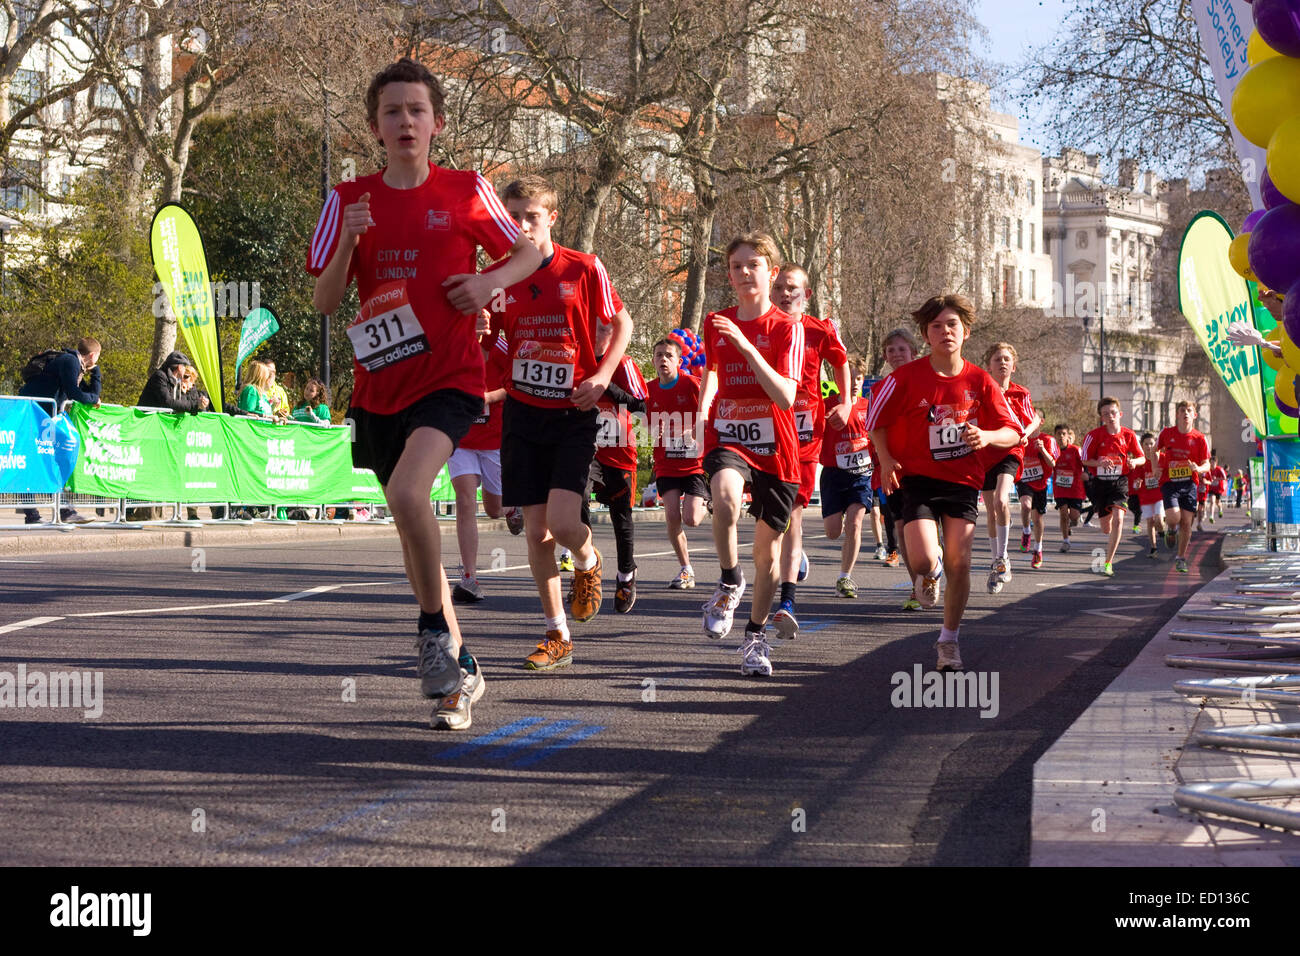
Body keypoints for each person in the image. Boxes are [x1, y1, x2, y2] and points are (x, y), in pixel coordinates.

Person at [306, 57, 543, 732]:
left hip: (450, 379)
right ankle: (459, 673)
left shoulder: (466, 189)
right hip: (380, 386)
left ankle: (434, 629)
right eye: (392, 112)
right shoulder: (345, 201)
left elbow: (529, 254)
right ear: (375, 126)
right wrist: (350, 238)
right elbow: (324, 303)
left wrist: (488, 283)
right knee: (413, 542)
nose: (405, 121)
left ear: (436, 123)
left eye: (417, 110)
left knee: (411, 495)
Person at [490, 174, 632, 672]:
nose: (523, 225)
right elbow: (496, 344)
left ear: (552, 217)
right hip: (524, 412)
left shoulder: (584, 267)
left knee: (563, 523)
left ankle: (590, 562)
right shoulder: (499, 276)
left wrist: (603, 375)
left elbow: (623, 323)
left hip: (574, 411)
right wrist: (485, 337)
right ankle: (557, 635)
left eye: (533, 215)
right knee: (535, 533)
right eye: (514, 216)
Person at [867, 294, 1021, 672]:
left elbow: (1013, 432)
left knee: (961, 562)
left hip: (962, 482)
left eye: (952, 325)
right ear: (926, 334)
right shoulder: (906, 377)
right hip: (918, 478)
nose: (945, 331)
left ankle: (948, 642)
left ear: (965, 332)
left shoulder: (980, 380)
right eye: (936, 326)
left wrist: (986, 437)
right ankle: (929, 573)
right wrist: (886, 459)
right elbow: (874, 419)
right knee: (921, 559)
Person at [698, 232, 802, 678]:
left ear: (771, 272)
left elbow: (785, 396)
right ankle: (727, 579)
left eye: (753, 265)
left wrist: (745, 345)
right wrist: (703, 408)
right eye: (736, 266)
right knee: (722, 497)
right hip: (729, 435)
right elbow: (713, 371)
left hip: (777, 446)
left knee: (769, 557)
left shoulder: (787, 328)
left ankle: (755, 636)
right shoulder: (715, 320)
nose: (743, 273)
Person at [771, 264, 850, 641]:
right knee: (771, 520)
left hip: (805, 437)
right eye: (780, 288)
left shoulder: (819, 330)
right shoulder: (761, 327)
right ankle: (792, 556)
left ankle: (786, 601)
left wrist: (847, 403)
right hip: (766, 431)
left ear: (807, 294)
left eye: (793, 288)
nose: (786, 294)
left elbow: (842, 363)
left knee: (793, 516)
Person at [589, 317, 649, 613]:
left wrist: (605, 385)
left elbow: (642, 404)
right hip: (586, 449)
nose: (596, 334)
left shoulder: (623, 363)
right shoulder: (576, 359)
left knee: (620, 518)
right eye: (592, 327)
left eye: (603, 329)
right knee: (573, 504)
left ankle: (626, 574)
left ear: (614, 334)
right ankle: (585, 565)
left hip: (618, 450)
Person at [448, 332, 511, 603]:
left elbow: (517, 386)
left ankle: (514, 507)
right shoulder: (452, 339)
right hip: (460, 437)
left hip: (494, 440)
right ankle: (469, 578)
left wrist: (487, 397)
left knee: (494, 510)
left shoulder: (501, 346)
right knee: (464, 501)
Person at [646, 336, 708, 589]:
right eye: (659, 355)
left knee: (692, 518)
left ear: (679, 361)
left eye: (669, 355)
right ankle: (686, 569)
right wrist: (652, 431)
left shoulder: (693, 384)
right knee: (672, 515)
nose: (663, 359)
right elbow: (644, 424)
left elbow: (713, 412)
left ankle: (709, 498)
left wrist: (697, 430)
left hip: (694, 463)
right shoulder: (647, 389)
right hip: (666, 462)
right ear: (653, 360)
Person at [19, 336, 102, 524]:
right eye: (97, 359)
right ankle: (41, 514)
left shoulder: (76, 365)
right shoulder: (70, 362)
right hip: (33, 413)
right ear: (92, 355)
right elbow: (75, 393)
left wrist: (95, 372)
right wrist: (92, 398)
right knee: (36, 460)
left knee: (49, 460)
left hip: (45, 416)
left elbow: (91, 393)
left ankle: (62, 512)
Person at [979, 342, 1036, 595]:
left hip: (1010, 452)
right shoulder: (980, 390)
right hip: (985, 452)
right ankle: (997, 562)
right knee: (991, 511)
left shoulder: (1020, 393)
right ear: (988, 365)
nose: (1002, 363)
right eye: (997, 359)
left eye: (1006, 359)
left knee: (1002, 501)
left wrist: (1025, 433)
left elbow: (1030, 420)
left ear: (1014, 365)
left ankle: (1002, 558)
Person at [872, 328, 922, 607]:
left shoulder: (928, 381)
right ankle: (917, 587)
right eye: (891, 350)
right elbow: (874, 428)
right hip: (895, 468)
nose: (896, 354)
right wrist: (884, 461)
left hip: (926, 467)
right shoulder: (880, 389)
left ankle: (933, 561)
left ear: (914, 352)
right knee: (902, 529)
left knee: (926, 526)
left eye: (902, 349)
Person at [819, 354, 873, 597]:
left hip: (861, 475)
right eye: (849, 377)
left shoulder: (869, 407)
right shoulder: (827, 405)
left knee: (855, 523)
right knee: (833, 532)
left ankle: (845, 577)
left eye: (858, 377)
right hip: (833, 474)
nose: (853, 382)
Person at [1080, 397, 1145, 578]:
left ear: (1120, 414)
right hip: (1100, 483)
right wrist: (1098, 461)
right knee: (1106, 527)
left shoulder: (1129, 435)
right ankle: (1106, 529)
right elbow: (1084, 459)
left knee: (1119, 519)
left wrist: (1134, 461)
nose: (1110, 416)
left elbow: (1142, 458)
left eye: (1113, 413)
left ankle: (1108, 562)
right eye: (1106, 414)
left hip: (1120, 482)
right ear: (1101, 417)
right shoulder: (1093, 436)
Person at [1157, 400, 1209, 573]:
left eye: (1189, 410)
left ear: (1194, 415)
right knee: (1174, 518)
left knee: (1187, 523)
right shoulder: (1166, 433)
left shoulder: (1200, 438)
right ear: (1177, 414)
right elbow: (1156, 452)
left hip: (1189, 483)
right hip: (1170, 482)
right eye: (1182, 410)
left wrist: (1198, 468)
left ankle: (1181, 558)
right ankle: (1171, 529)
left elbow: (1206, 464)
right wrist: (1158, 465)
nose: (1185, 413)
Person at [1018, 429, 1058, 568]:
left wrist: (1042, 449)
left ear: (1040, 422)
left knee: (1037, 518)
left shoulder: (1048, 439)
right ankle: (1026, 531)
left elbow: (1052, 464)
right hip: (1024, 481)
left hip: (1040, 483)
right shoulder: (1020, 437)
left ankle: (1038, 549)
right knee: (1025, 506)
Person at [137, 351, 209, 413]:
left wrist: (199, 404)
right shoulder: (159, 376)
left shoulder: (177, 381)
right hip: (146, 421)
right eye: (184, 367)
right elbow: (168, 402)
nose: (185, 371)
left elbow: (180, 403)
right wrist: (195, 405)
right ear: (180, 368)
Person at [1132, 432, 1165, 559]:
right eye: (1146, 444)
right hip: (1145, 497)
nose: (1149, 446)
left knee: (1158, 519)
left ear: (1156, 444)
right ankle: (1153, 548)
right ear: (1142, 445)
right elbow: (1136, 483)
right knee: (1150, 522)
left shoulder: (1162, 458)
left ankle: (1162, 531)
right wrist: (1137, 483)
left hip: (1160, 495)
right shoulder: (1141, 462)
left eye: (1152, 443)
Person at [1052, 424, 1085, 552]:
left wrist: (1087, 473)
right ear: (1055, 436)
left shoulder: (1076, 450)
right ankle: (1065, 541)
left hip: (1075, 488)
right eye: (1058, 433)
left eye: (1063, 434)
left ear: (1068, 435)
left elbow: (1085, 462)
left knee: (1074, 517)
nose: (1061, 436)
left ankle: (1070, 525)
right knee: (1063, 514)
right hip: (1060, 487)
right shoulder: (1053, 451)